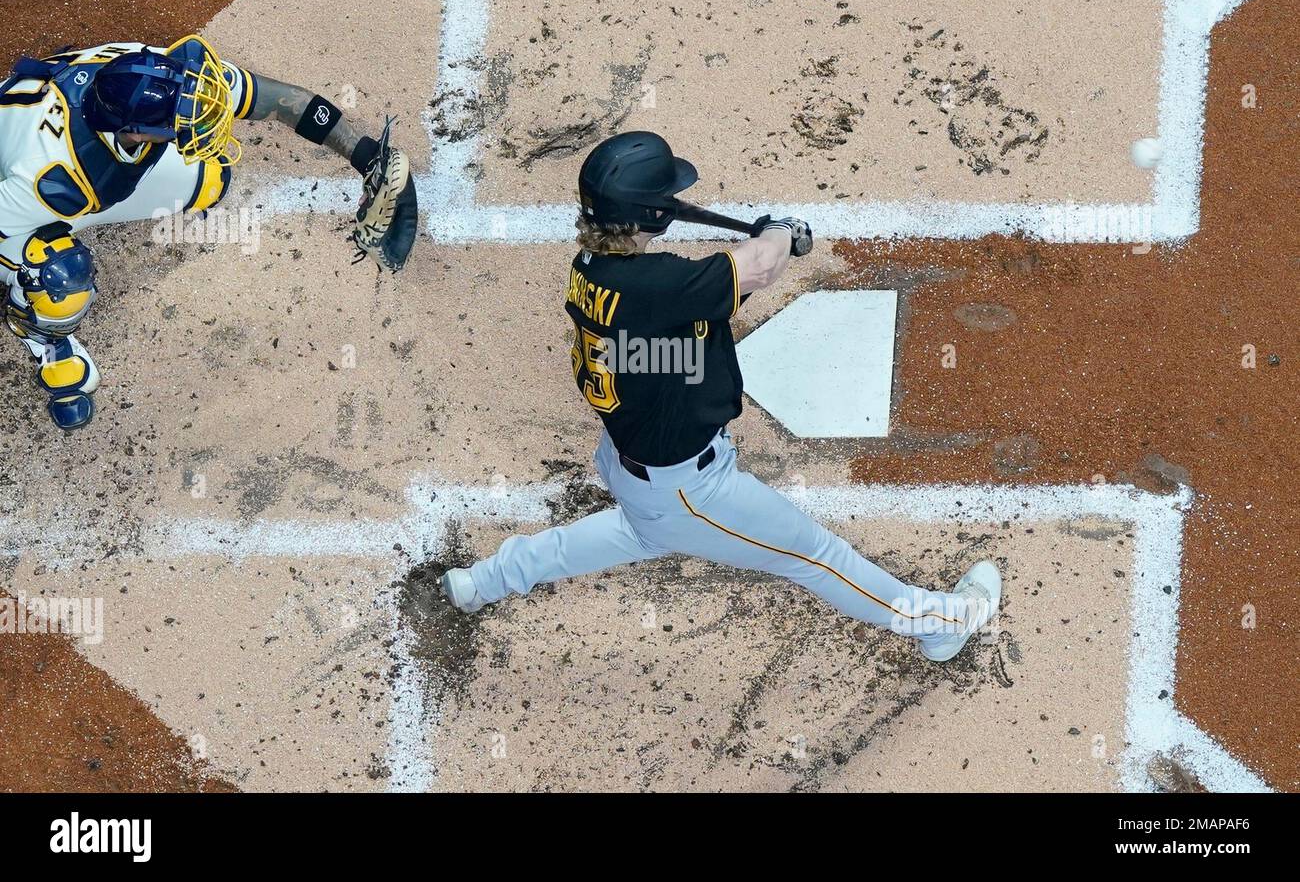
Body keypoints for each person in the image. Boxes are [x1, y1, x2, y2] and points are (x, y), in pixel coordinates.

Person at [441, 130, 1000, 662]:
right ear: (652, 214)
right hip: (689, 489)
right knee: (815, 556)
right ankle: (943, 625)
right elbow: (759, 266)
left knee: (630, 533)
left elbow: (700, 301)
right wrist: (781, 231)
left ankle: (482, 582)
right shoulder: (657, 286)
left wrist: (756, 251)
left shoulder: (594, 269)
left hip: (631, 464)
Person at [0, 36, 417, 428]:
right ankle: (38, 331)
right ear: (134, 131)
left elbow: (282, 102)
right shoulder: (56, 182)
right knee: (60, 274)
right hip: (20, 196)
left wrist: (361, 154)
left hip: (61, 151)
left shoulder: (170, 77)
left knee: (212, 179)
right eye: (176, 123)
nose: (202, 119)